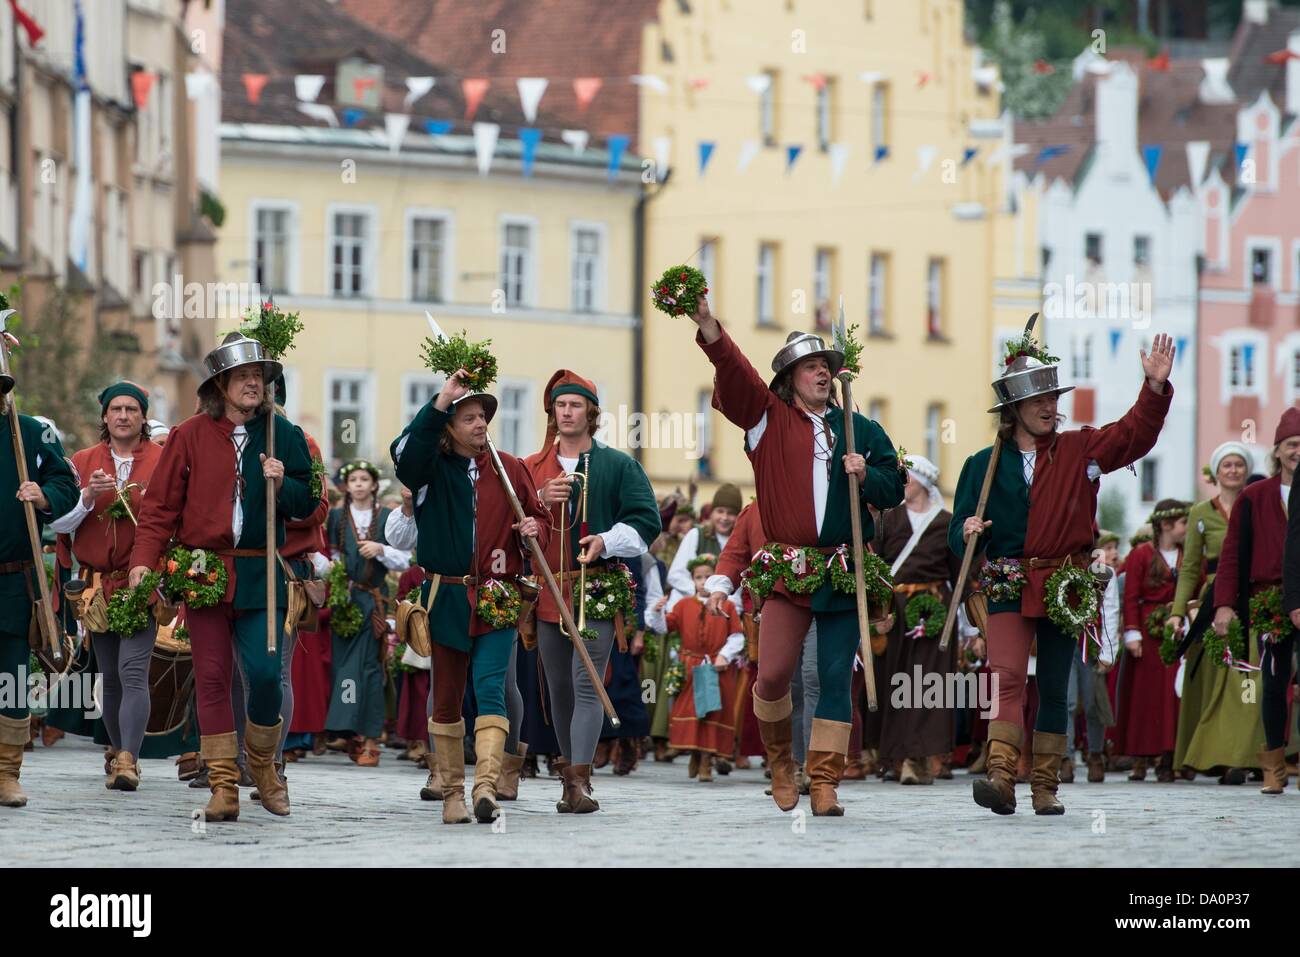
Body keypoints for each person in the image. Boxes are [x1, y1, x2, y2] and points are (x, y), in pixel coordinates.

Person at [691, 296, 905, 816]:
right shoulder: (766, 418)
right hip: (790, 569)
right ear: (789, 378)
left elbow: (894, 488)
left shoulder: (859, 428)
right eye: (811, 367)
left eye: (826, 367)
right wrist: (710, 327)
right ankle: (782, 761)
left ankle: (825, 781)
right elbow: (737, 376)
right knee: (772, 675)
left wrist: (865, 473)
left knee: (834, 677)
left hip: (843, 568)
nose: (822, 374)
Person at [950, 329, 1174, 816]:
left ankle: (1046, 785)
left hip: (1062, 585)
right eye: (1038, 399)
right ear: (1014, 409)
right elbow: (957, 534)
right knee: (1007, 678)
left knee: (1054, 686)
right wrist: (967, 531)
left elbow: (1133, 434)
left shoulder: (1081, 451)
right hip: (1008, 581)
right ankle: (1001, 776)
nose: (1049, 406)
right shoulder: (981, 465)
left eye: (1053, 397)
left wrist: (1154, 389)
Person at [128, 332, 314, 822]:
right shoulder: (189, 435)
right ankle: (224, 785)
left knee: (265, 675)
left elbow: (310, 504)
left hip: (261, 572)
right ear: (220, 385)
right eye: (243, 376)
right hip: (202, 571)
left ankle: (264, 766)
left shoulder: (283, 434)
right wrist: (143, 559)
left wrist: (283, 482)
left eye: (259, 376)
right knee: (211, 677)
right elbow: (159, 507)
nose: (253, 383)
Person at [391, 372, 549, 824]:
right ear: (449, 425)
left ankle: (485, 786)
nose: (480, 424)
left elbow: (538, 517)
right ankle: (452, 794)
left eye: (483, 417)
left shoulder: (510, 467)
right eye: (469, 418)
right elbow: (405, 457)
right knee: (446, 695)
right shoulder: (429, 468)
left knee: (491, 687)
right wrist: (441, 400)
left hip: (498, 594)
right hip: (446, 595)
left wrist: (534, 528)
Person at [522, 369, 660, 815]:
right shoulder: (530, 467)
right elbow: (507, 523)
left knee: (587, 682)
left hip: (596, 585)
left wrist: (606, 539)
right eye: (560, 405)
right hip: (548, 588)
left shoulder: (618, 465)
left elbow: (646, 521)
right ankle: (570, 778)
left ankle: (578, 781)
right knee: (559, 688)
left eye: (575, 405)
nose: (567, 413)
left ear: (591, 413)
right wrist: (540, 499)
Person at [50, 382, 162, 790]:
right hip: (98, 587)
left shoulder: (162, 461)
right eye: (116, 409)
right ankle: (118, 751)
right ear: (105, 416)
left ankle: (129, 758)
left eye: (132, 409)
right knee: (111, 676)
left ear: (143, 417)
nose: (123, 416)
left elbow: (174, 519)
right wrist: (85, 497)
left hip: (142, 581)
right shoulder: (83, 461)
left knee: (133, 671)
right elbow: (59, 523)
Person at [1214, 407, 1300, 794]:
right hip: (1269, 598)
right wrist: (1224, 604)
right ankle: (1273, 765)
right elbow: (1233, 554)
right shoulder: (1254, 496)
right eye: (1291, 444)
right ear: (1278, 451)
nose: (1298, 451)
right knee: (1273, 682)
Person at [0, 391, 79, 807]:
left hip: (13, 579)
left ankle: (6, 772)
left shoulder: (31, 432)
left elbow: (66, 483)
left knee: (11, 679)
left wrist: (44, 495)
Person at [1171, 443, 1260, 783]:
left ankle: (1246, 754)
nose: (1233, 470)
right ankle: (1209, 755)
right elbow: (1190, 568)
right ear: (1217, 472)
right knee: (1211, 679)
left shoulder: (1256, 505)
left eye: (1239, 464)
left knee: (1247, 679)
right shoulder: (1200, 513)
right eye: (1227, 465)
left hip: (1250, 597)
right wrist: (1177, 612)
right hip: (1213, 599)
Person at [872, 454, 960, 785]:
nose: (902, 484)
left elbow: (960, 576)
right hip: (895, 611)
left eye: (906, 478)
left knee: (928, 685)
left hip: (934, 609)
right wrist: (876, 615)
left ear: (923, 482)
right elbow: (875, 570)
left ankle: (920, 756)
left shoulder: (946, 522)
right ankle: (897, 756)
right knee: (895, 682)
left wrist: (970, 626)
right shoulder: (887, 520)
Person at [324, 459, 409, 766]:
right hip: (345, 601)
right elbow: (332, 555)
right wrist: (334, 578)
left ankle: (371, 739)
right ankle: (350, 732)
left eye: (364, 479)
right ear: (347, 486)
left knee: (371, 669)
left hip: (374, 601)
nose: (359, 484)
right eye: (354, 479)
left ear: (374, 485)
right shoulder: (336, 517)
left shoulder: (387, 516)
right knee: (344, 668)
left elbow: (405, 558)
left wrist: (381, 549)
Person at [648, 552, 744, 782]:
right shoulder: (683, 605)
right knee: (690, 712)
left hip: (716, 668)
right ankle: (695, 754)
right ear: (692, 580)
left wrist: (724, 655)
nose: (703, 582)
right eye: (698, 577)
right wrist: (657, 611)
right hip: (690, 666)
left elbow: (737, 636)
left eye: (708, 577)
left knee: (712, 712)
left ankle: (706, 762)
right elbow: (664, 627)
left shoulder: (728, 606)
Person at [1114, 499, 1189, 782]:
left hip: (1177, 630)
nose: (1187, 528)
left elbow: (1196, 587)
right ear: (1166, 525)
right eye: (1183, 523)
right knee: (1144, 696)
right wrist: (1132, 632)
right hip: (1147, 632)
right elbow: (1131, 595)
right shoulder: (1141, 554)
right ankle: (1140, 756)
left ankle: (1169, 757)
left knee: (1172, 693)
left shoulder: (1187, 555)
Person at [666, 484, 742, 606]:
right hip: (691, 605)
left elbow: (738, 588)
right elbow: (676, 575)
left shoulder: (741, 543)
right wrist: (702, 592)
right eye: (720, 511)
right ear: (712, 513)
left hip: (724, 608)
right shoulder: (696, 535)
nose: (724, 517)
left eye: (731, 513)